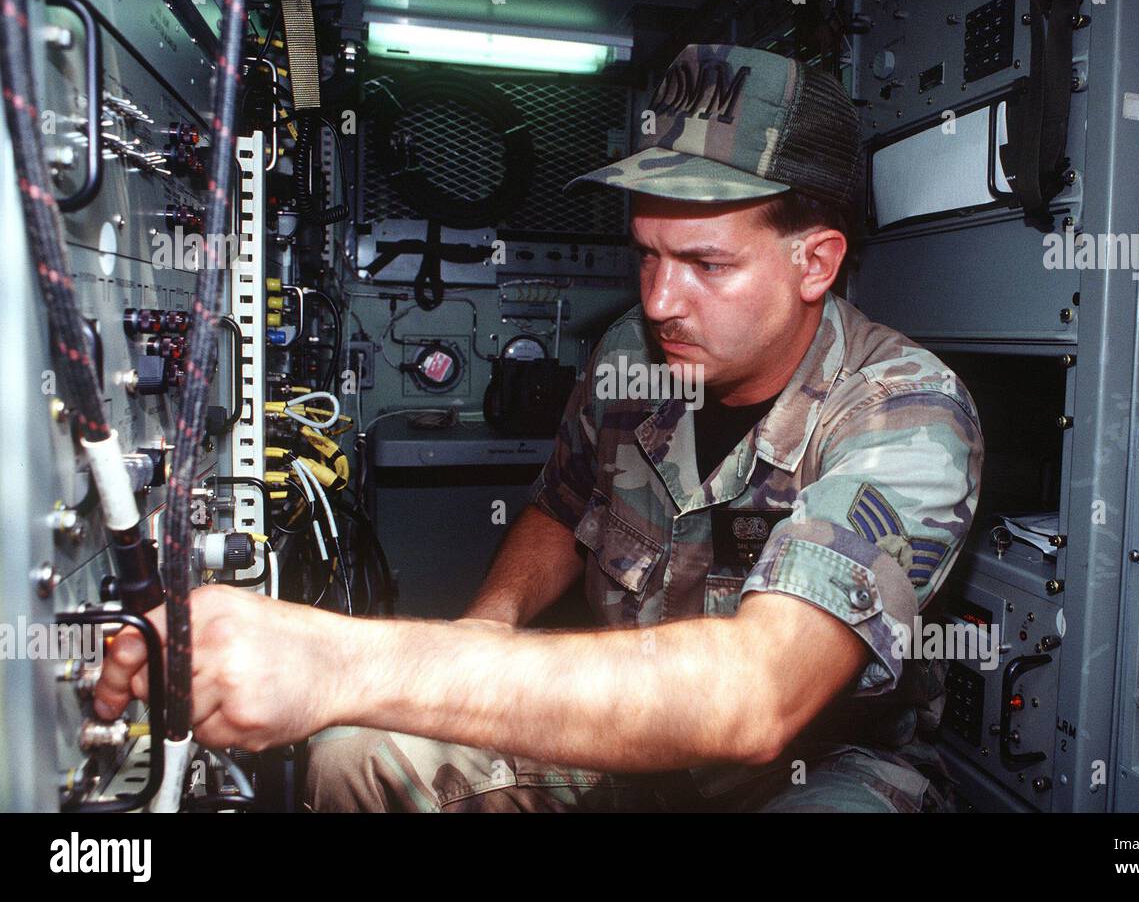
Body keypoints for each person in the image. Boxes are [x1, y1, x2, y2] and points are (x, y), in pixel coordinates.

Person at [94, 43, 984, 812]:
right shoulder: (631, 354)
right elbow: (561, 505)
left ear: (814, 262)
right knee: (355, 761)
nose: (660, 299)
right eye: (647, 254)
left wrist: (339, 662)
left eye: (706, 262)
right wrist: (487, 622)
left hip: (815, 769)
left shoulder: (904, 410)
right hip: (636, 738)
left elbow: (753, 696)